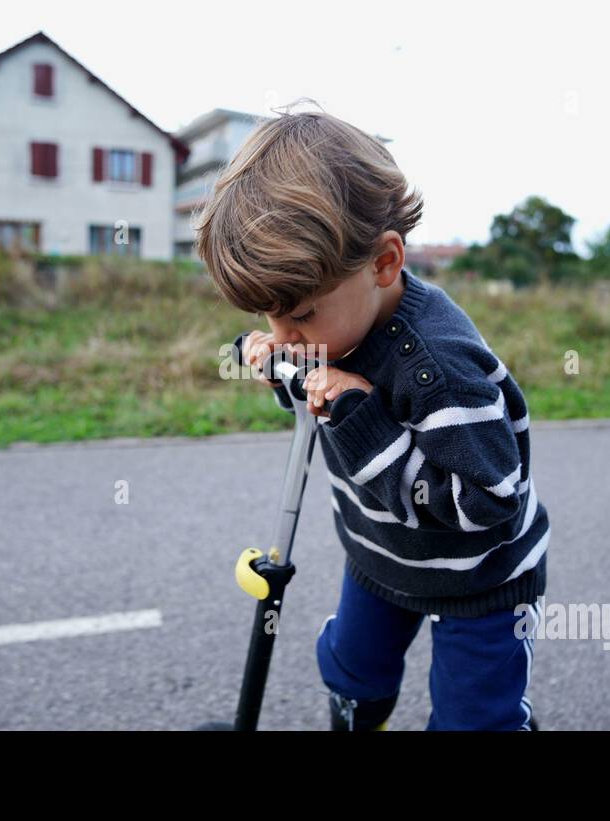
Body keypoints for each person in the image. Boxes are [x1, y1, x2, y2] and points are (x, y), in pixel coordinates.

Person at [198, 104, 549, 731]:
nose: (285, 334)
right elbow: (313, 394)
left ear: (385, 262)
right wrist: (270, 362)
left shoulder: (440, 368)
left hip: (478, 580)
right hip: (382, 555)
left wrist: (362, 420)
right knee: (351, 671)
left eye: (299, 317)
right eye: (268, 319)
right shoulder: (340, 319)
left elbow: (487, 500)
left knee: (475, 719)